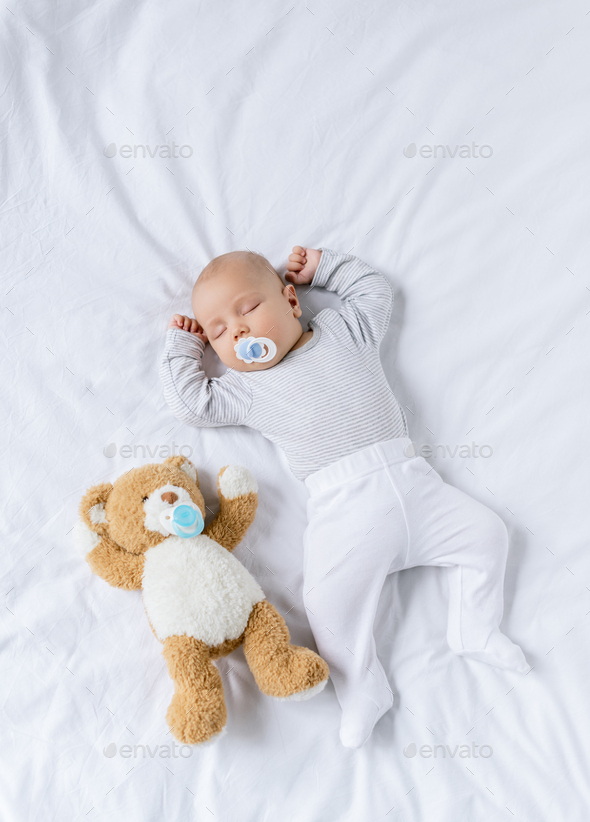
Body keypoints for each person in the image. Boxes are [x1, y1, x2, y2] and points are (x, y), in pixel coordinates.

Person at [159, 245, 529, 748]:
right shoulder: (247, 388)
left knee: (489, 535)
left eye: (247, 309)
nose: (238, 330)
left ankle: (476, 628)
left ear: (292, 302)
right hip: (344, 507)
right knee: (325, 602)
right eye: (219, 331)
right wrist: (183, 346)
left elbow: (374, 292)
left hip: (417, 485)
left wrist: (324, 267)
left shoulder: (342, 332)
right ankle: (362, 686)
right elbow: (190, 402)